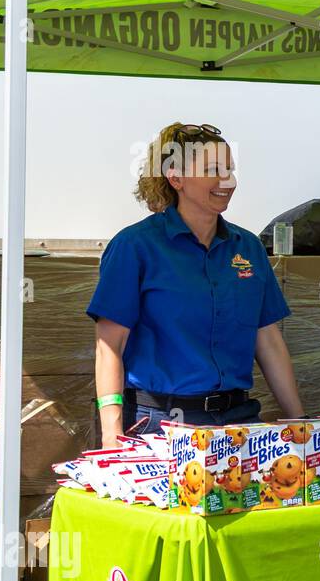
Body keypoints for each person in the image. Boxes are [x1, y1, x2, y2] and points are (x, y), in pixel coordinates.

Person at [89, 122, 304, 446]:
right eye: (212, 170)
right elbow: (109, 348)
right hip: (159, 426)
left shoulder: (248, 248)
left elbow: (268, 341)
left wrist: (299, 423)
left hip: (238, 422)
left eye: (230, 169)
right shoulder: (135, 247)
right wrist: (111, 436)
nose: (227, 180)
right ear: (176, 178)